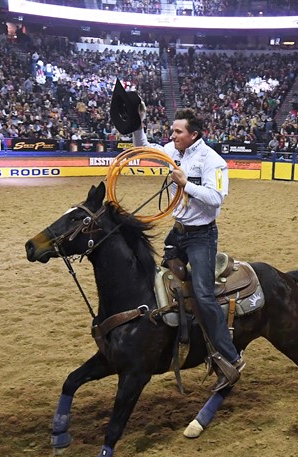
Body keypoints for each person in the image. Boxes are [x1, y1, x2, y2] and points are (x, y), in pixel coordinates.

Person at [111, 84, 243, 392]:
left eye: (177, 132)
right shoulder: (172, 152)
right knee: (158, 282)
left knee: (204, 294)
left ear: (193, 134)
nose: (172, 136)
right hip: (178, 233)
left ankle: (230, 356)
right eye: (172, 131)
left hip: (201, 237)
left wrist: (185, 184)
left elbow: (216, 199)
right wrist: (138, 123)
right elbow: (144, 150)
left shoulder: (213, 161)